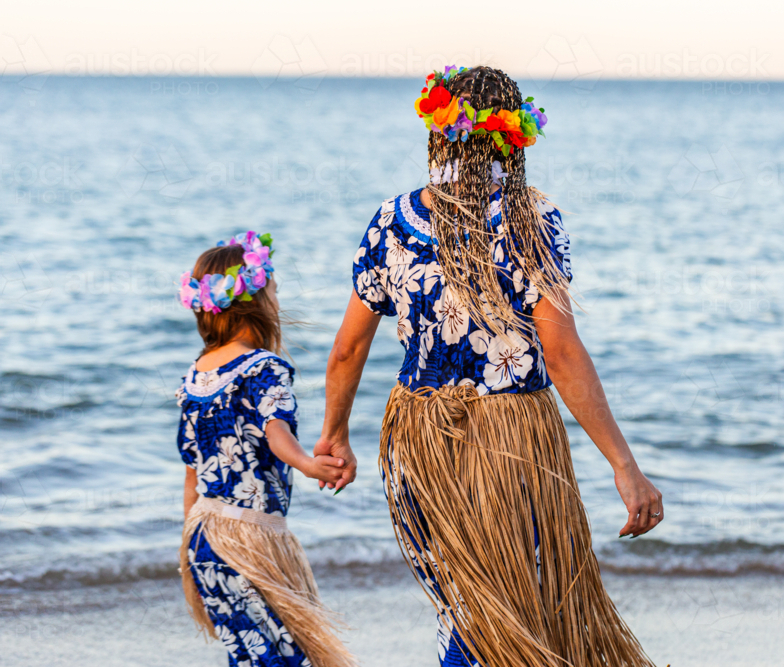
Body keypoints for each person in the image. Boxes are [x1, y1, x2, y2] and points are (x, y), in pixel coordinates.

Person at [314, 66, 663, 666]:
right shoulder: (529, 218)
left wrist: (335, 434)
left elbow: (348, 348)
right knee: (505, 612)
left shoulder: (391, 220)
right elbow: (560, 349)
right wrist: (624, 464)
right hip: (509, 439)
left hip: (418, 438)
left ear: (439, 130)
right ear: (513, 136)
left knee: (471, 604)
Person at [175, 232, 355, 667]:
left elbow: (191, 472)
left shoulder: (196, 376)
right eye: (273, 291)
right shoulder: (265, 368)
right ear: (254, 302)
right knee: (284, 658)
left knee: (250, 655)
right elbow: (278, 435)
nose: (277, 300)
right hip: (249, 540)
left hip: (204, 537)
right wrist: (313, 466)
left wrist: (187, 551)